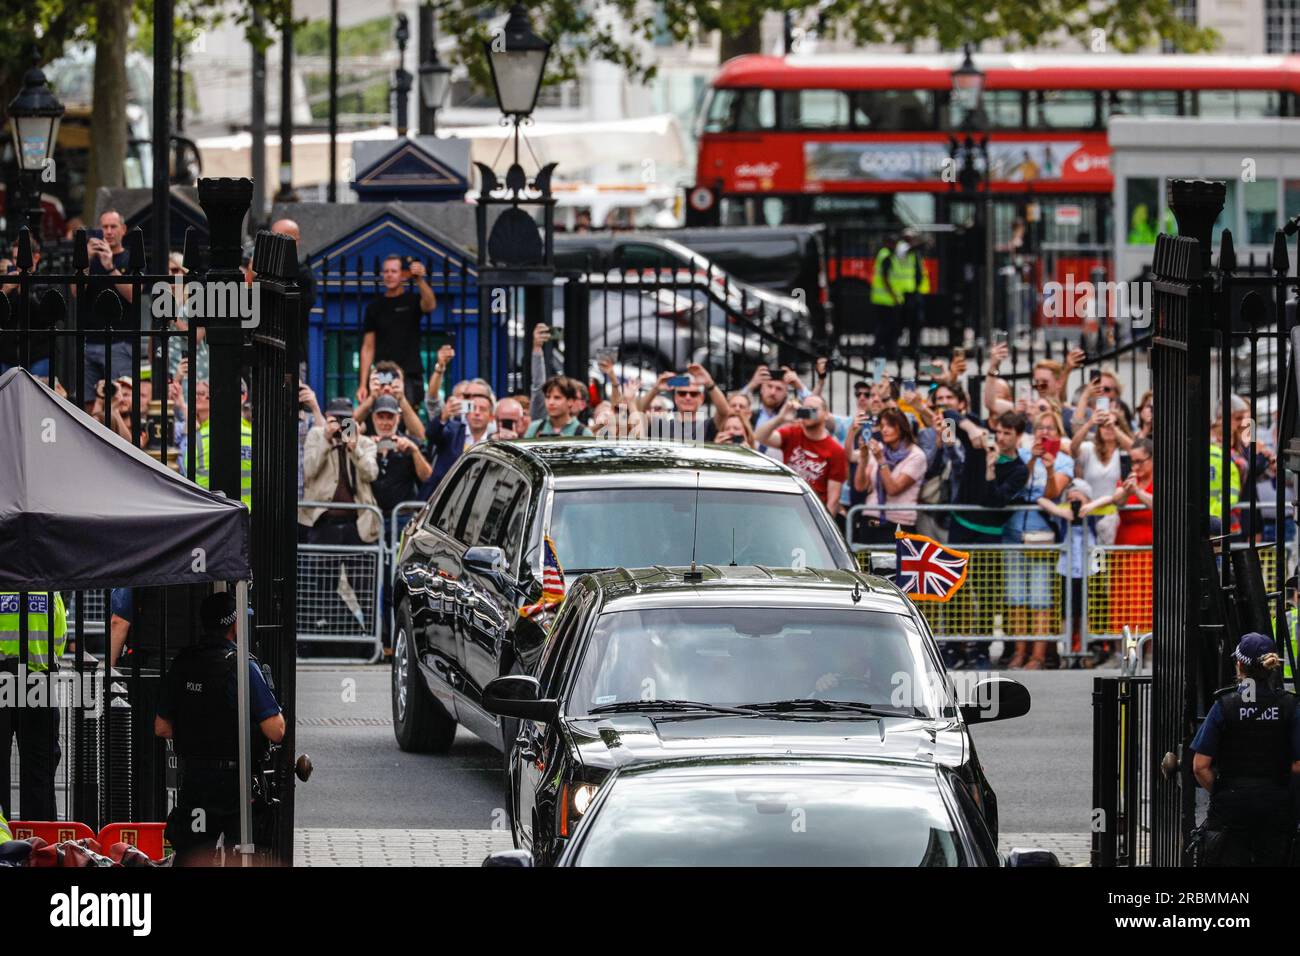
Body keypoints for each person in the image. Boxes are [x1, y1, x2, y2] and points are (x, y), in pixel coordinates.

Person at [155, 591, 285, 866]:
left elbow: (162, 728)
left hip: (195, 781)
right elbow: (276, 730)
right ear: (235, 625)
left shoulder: (183, 662)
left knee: (192, 854)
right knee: (242, 855)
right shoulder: (241, 666)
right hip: (235, 785)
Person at [1190, 633, 1300, 866]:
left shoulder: (1224, 705)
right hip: (1276, 804)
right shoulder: (1290, 706)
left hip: (1231, 807)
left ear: (1239, 665)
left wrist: (1222, 792)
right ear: (1273, 666)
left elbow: (1200, 766)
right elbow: (1298, 764)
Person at [1003, 410, 1074, 670]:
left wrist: (1050, 466)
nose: (1044, 432)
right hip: (1012, 531)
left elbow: (1053, 492)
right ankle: (1019, 652)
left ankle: (1038, 655)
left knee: (1041, 597)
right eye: (1040, 427)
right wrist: (1031, 461)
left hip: (1041, 532)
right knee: (1015, 596)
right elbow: (1014, 486)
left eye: (1050, 428)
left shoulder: (1065, 461)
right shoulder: (1021, 456)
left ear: (1058, 433)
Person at [0, 590, 66, 821]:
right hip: (38, 679)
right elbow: (59, 638)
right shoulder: (47, 587)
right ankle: (40, 842)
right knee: (40, 770)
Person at [358, 254, 436, 408]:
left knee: (408, 418)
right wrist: (363, 383)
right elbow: (368, 347)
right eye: (386, 271)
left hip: (409, 373)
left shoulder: (412, 300)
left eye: (394, 271)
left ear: (403, 275)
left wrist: (419, 280)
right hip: (382, 374)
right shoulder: (374, 307)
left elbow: (430, 305)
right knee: (381, 415)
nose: (389, 275)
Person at [82, 209, 138, 408]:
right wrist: (85, 261)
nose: (108, 231)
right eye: (104, 227)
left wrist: (110, 268)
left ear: (123, 229)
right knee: (89, 401)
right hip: (91, 339)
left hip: (120, 341)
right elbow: (75, 292)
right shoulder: (91, 261)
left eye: (113, 226)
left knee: (121, 399)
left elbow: (135, 295)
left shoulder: (131, 259)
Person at [753, 394, 847, 512]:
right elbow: (759, 436)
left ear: (826, 414)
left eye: (812, 409)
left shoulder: (836, 451)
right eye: (804, 409)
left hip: (814, 511)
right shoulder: (793, 433)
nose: (807, 413)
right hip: (787, 505)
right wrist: (780, 418)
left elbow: (833, 500)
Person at [853, 406, 927, 543]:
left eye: (890, 425)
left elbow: (893, 489)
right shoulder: (879, 449)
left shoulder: (916, 456)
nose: (884, 430)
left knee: (893, 563)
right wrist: (863, 458)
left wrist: (881, 460)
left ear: (902, 427)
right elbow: (860, 486)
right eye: (882, 426)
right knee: (868, 562)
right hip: (872, 519)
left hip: (899, 523)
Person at [370, 395, 433, 521]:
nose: (385, 423)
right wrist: (370, 398)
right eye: (380, 417)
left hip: (403, 516)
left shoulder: (411, 443)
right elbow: (345, 439)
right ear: (373, 418)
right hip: (372, 517)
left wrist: (414, 451)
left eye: (390, 417)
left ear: (398, 418)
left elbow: (427, 477)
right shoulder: (365, 443)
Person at [639, 363, 729, 443]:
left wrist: (709, 383)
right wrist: (655, 389)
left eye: (693, 394)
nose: (688, 397)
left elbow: (724, 412)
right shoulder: (662, 425)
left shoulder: (707, 426)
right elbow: (638, 411)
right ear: (676, 398)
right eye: (682, 393)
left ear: (701, 398)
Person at [269, 219, 315, 374]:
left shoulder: (303, 275)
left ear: (296, 242)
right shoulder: (264, 271)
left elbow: (295, 310)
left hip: (291, 353)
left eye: (282, 238)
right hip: (263, 352)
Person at [525, 376, 593, 438]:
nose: (551, 402)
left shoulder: (584, 433)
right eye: (547, 397)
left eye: (557, 398)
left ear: (570, 401)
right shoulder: (534, 428)